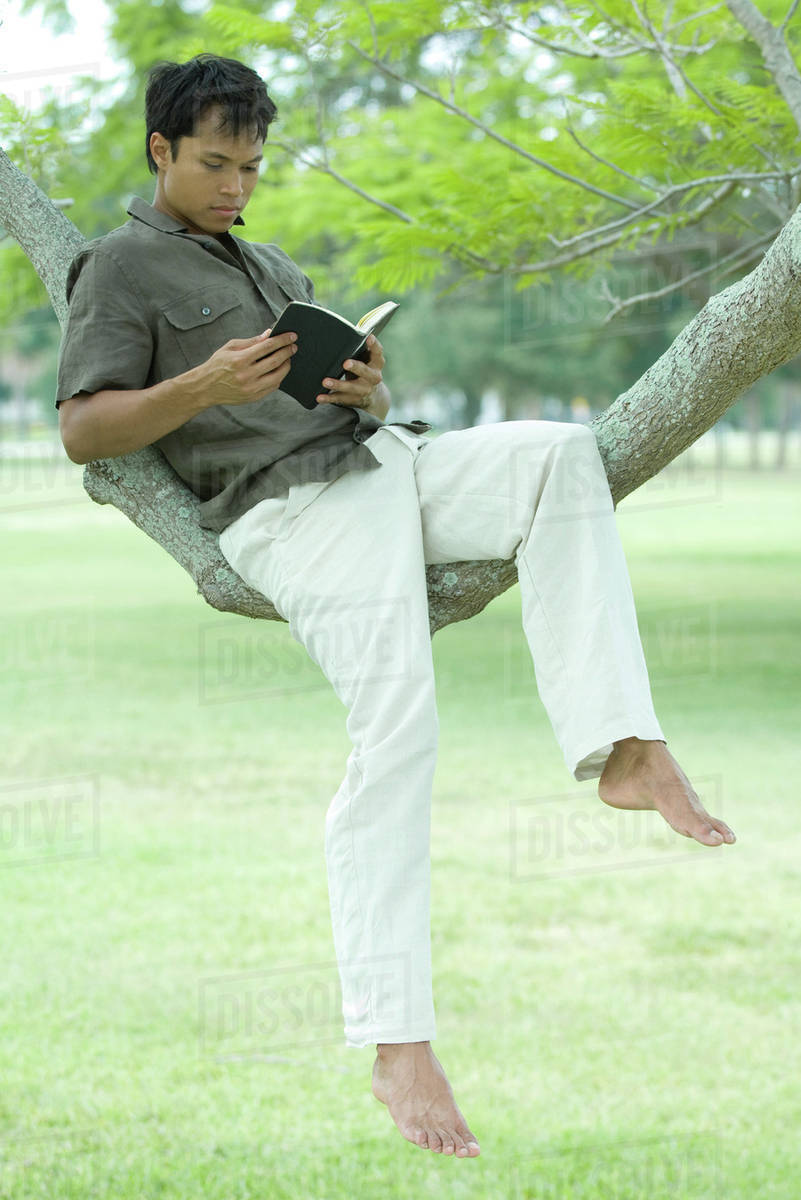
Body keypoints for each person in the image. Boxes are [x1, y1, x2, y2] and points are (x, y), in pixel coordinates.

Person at [55, 53, 737, 1160]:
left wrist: (370, 388)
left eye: (253, 167)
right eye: (217, 164)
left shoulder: (268, 260)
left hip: (386, 464)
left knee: (562, 456)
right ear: (161, 151)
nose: (237, 185)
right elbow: (84, 428)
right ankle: (396, 1039)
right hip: (291, 515)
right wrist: (202, 388)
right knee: (398, 727)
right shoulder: (118, 267)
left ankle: (625, 743)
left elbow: (324, 392)